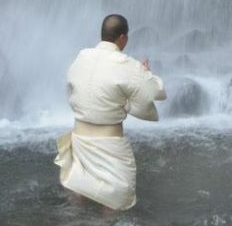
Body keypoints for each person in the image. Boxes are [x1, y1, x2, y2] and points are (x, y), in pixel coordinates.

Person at [54, 14, 166, 210]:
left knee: (80, 188)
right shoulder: (127, 64)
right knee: (116, 197)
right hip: (110, 143)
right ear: (123, 38)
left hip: (79, 138)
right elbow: (156, 92)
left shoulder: (82, 56)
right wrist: (146, 73)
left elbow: (71, 87)